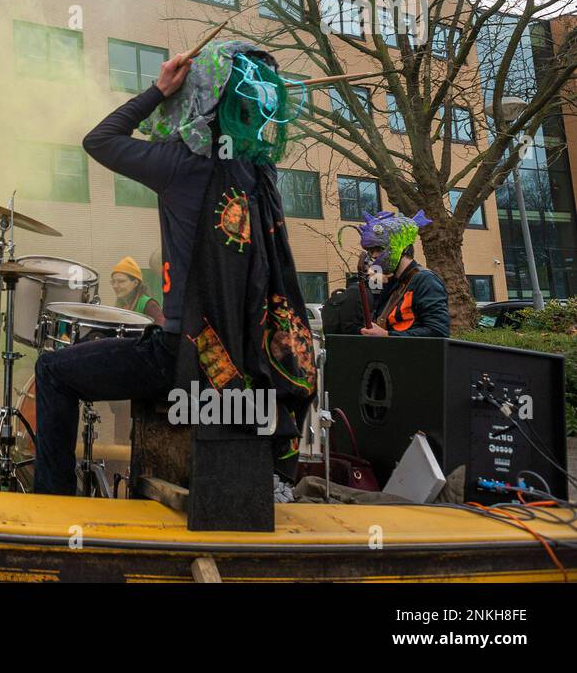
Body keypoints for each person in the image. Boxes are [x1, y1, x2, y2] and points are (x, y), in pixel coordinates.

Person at [34, 41, 316, 496]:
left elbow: (99, 141)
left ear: (200, 98)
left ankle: (55, 505)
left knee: (52, 370)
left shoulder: (180, 164)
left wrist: (160, 89)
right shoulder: (260, 175)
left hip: (187, 356)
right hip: (251, 360)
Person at [357, 210, 450, 338]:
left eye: (379, 249)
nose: (374, 256)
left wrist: (387, 335)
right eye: (370, 251)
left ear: (402, 248)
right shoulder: (393, 283)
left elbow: (438, 331)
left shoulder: (425, 280)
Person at [108, 256, 163, 322]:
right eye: (113, 281)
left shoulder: (149, 305)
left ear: (135, 283)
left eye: (121, 281)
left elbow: (161, 330)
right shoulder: (120, 305)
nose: (115, 286)